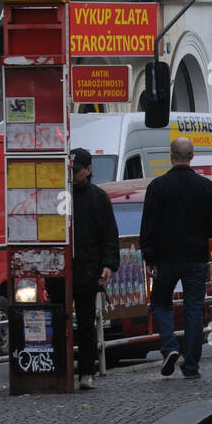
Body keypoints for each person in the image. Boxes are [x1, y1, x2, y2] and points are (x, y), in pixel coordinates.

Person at [140, 136, 212, 379]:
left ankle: (170, 347)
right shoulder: (207, 188)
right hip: (196, 259)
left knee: (160, 303)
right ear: (192, 156)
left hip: (166, 259)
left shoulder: (158, 187)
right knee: (194, 309)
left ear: (171, 156)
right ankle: (191, 365)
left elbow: (149, 226)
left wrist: (149, 258)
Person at [64, 148, 119, 391]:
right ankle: (64, 370)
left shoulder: (98, 197)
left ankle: (86, 371)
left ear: (88, 170)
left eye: (76, 171)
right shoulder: (62, 195)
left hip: (87, 269)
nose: (73, 175)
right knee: (61, 321)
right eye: (70, 171)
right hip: (65, 269)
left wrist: (108, 265)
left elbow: (109, 235)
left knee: (86, 324)